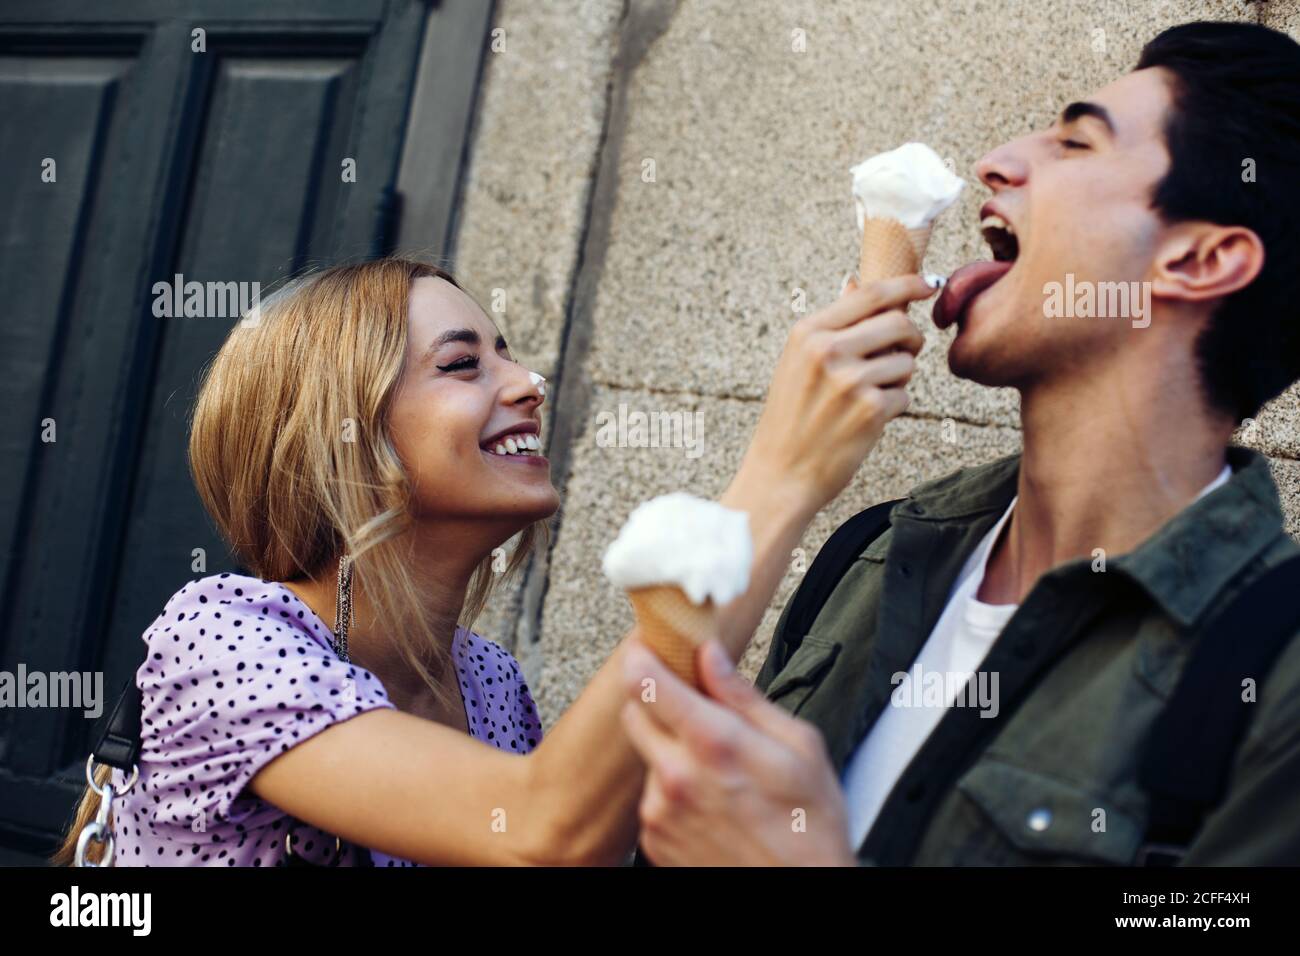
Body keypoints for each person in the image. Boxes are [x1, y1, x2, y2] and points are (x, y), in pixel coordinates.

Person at [621, 20, 1300, 866]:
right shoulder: (869, 555)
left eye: (1075, 142)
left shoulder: (1278, 682)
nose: (997, 160)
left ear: (1199, 261)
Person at [52, 255, 935, 866]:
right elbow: (547, 828)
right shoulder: (223, 639)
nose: (527, 385)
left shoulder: (490, 685)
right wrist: (782, 475)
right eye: (463, 363)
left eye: (506, 352)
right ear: (348, 436)